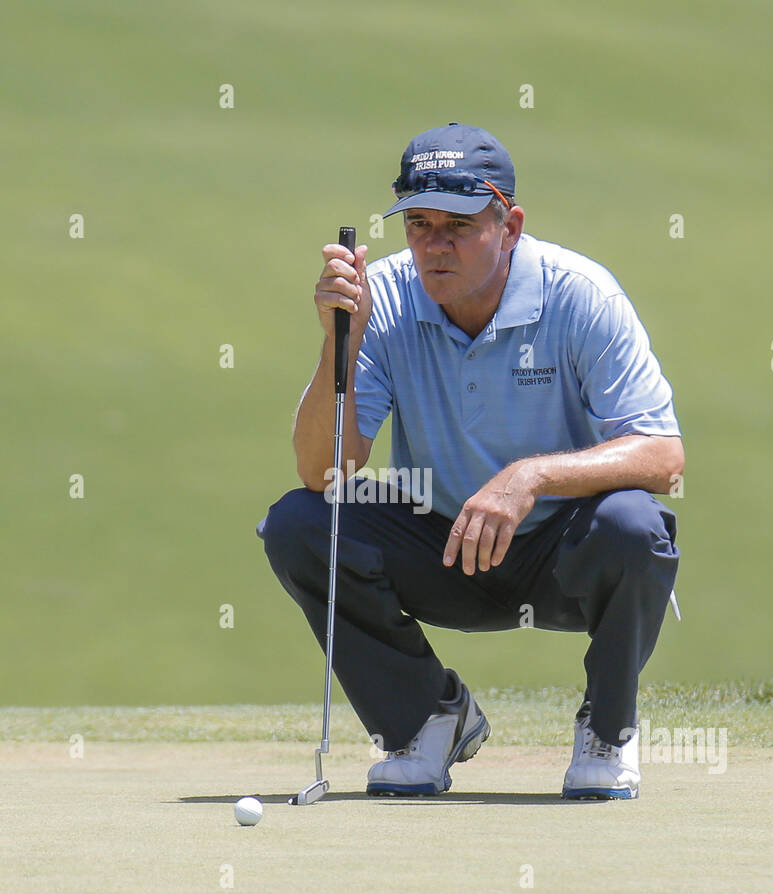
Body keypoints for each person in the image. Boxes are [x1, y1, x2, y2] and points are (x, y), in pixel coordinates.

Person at [258, 123, 683, 800]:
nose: (434, 245)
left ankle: (608, 729)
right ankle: (427, 720)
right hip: (446, 547)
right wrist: (340, 340)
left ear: (509, 225)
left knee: (637, 525)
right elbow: (323, 473)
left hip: (563, 556)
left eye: (457, 223)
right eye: (419, 224)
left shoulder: (581, 294)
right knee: (299, 522)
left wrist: (530, 477)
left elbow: (664, 455)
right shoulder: (385, 297)